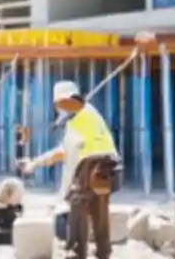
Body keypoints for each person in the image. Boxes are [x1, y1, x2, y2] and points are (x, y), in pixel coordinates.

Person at [18, 80, 121, 259]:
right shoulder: (90, 115)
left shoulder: (78, 119)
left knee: (77, 205)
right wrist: (37, 162)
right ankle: (103, 252)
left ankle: (76, 252)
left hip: (92, 165)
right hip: (110, 167)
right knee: (99, 209)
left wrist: (62, 190)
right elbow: (66, 151)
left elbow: (67, 156)